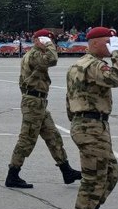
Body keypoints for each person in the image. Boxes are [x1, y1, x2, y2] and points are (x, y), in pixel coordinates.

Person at [66, 26, 118, 209]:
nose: (111, 46)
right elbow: (117, 78)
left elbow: (69, 98)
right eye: (108, 42)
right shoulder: (92, 65)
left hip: (90, 125)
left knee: (111, 173)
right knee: (94, 177)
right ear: (93, 44)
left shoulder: (78, 65)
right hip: (91, 126)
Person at [5, 29, 81, 188]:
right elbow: (52, 59)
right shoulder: (34, 55)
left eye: (50, 41)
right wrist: (50, 46)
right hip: (33, 102)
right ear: (37, 40)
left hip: (37, 102)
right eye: (46, 40)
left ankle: (66, 170)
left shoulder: (34, 54)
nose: (49, 43)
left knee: (53, 136)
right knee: (27, 139)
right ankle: (13, 174)